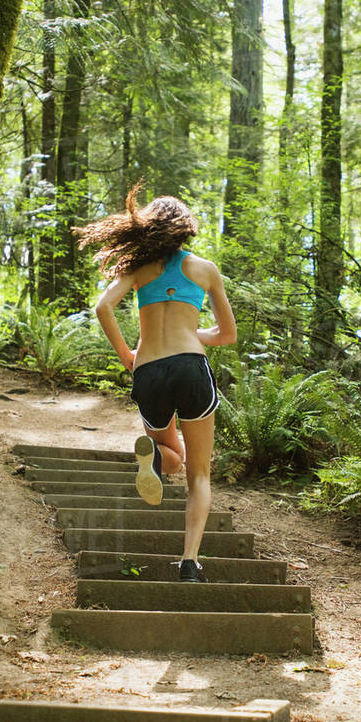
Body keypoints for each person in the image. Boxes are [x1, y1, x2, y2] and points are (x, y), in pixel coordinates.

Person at [75, 187, 236, 582]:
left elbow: (102, 307)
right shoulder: (204, 269)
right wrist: (195, 335)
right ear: (184, 230)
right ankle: (189, 563)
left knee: (167, 448)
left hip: (149, 371)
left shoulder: (138, 269)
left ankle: (157, 460)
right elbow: (228, 334)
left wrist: (126, 355)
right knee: (198, 474)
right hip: (190, 368)